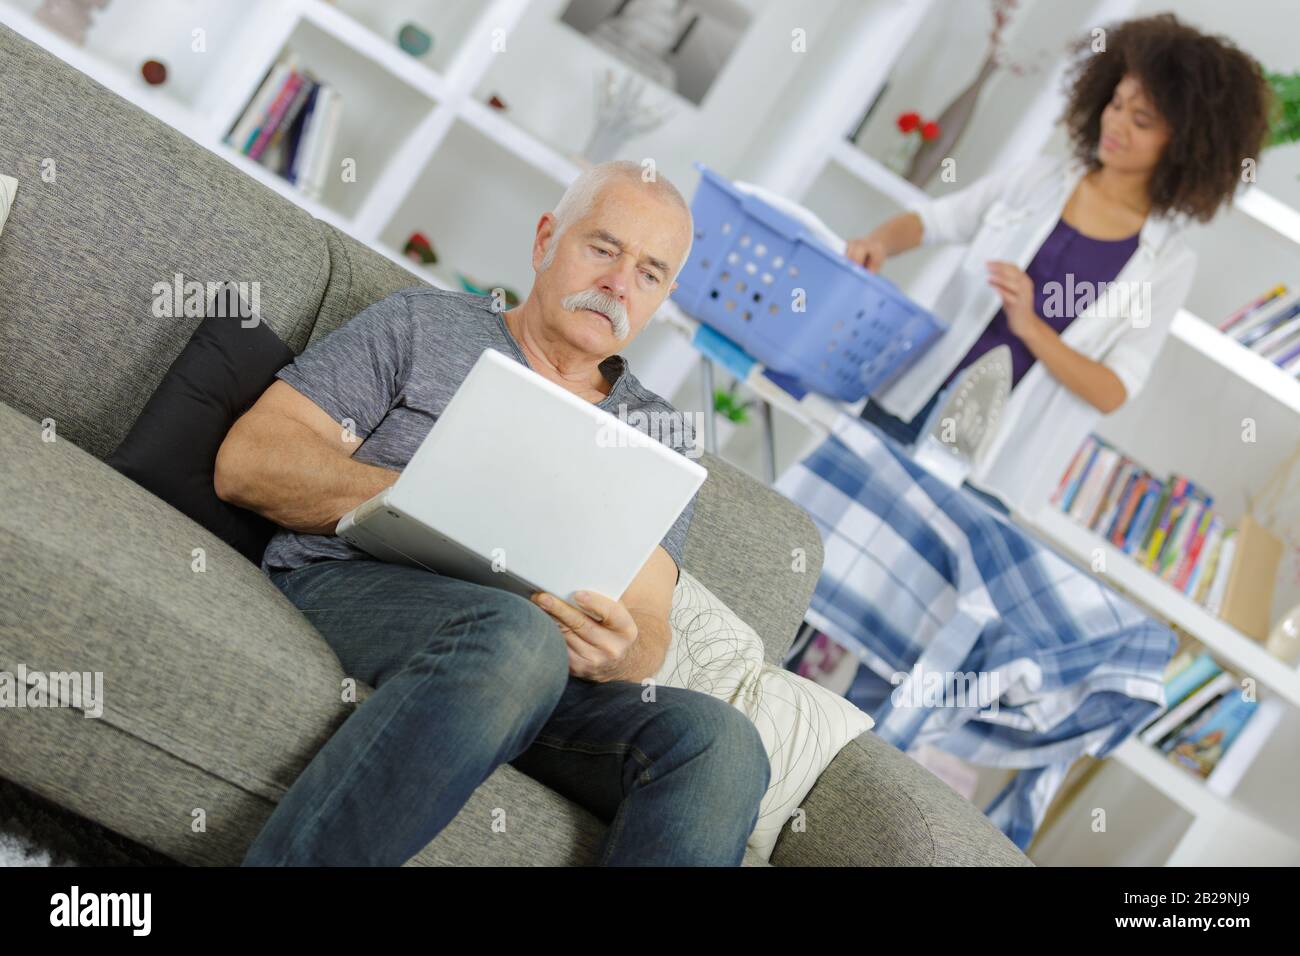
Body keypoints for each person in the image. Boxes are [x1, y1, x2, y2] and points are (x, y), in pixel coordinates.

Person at [214, 160, 771, 866]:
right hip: (356, 585)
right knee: (515, 637)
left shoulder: (657, 434)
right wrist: (428, 496)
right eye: (603, 248)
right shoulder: (420, 326)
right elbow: (249, 463)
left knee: (721, 743)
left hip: (543, 675)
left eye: (650, 272)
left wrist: (618, 652)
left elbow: (649, 628)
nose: (618, 283)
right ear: (545, 241)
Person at [845, 14, 1273, 515]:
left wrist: (1030, 326)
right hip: (908, 401)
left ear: (1185, 145)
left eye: (1142, 121)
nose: (1116, 124)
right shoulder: (1039, 180)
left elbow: (1112, 390)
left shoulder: (1166, 264)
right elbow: (934, 221)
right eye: (1116, 104)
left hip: (988, 469)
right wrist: (879, 242)